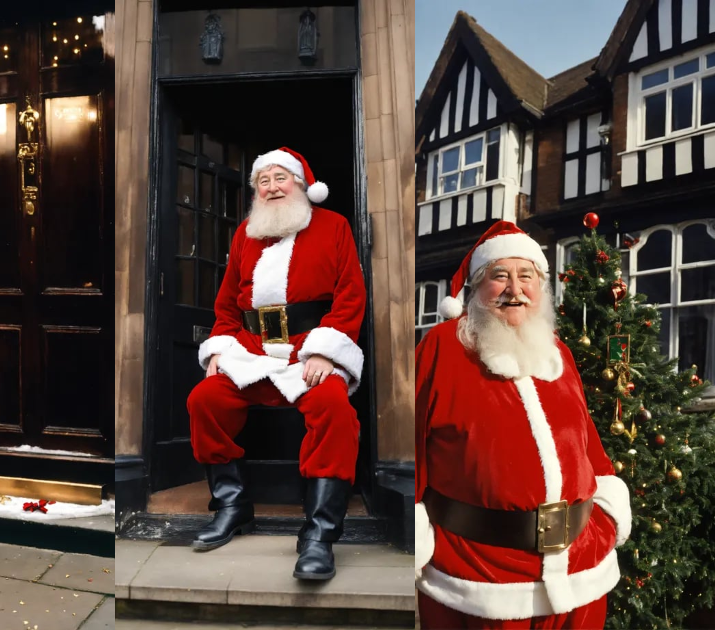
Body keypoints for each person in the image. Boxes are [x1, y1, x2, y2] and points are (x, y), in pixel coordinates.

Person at [415, 221, 631, 628]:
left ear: (541, 287)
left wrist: (608, 511)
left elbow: (588, 445)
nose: (515, 289)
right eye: (500, 276)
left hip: (583, 568)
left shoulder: (557, 352)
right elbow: (411, 444)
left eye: (526, 276)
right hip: (481, 578)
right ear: (477, 288)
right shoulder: (444, 347)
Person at [188, 147, 366, 580]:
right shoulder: (245, 232)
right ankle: (232, 506)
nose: (271, 187)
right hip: (251, 349)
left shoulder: (334, 226)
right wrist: (218, 352)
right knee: (204, 399)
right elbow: (228, 303)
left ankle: (319, 535)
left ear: (301, 184)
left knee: (335, 411)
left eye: (279, 178)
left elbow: (350, 294)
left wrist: (327, 349)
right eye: (263, 180)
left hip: (309, 349)